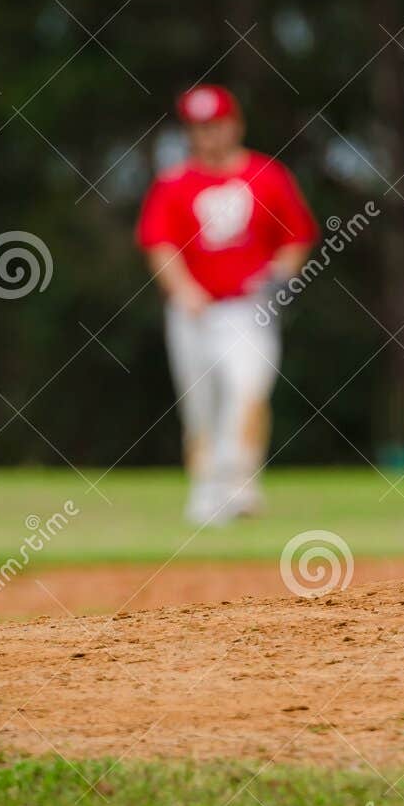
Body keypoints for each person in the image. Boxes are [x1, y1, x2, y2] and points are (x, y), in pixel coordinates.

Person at [135, 85, 316, 526]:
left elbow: (296, 238)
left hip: (247, 312)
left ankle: (240, 488)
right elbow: (159, 244)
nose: (208, 135)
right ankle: (205, 494)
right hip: (194, 314)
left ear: (234, 124)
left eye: (215, 125)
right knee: (200, 407)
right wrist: (183, 289)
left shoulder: (267, 175)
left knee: (247, 393)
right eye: (198, 128)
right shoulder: (173, 183)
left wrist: (276, 277)